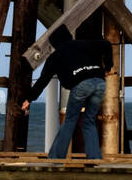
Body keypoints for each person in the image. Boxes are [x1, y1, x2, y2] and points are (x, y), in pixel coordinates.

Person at [21, 25, 113, 159]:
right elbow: (106, 44)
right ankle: (94, 157)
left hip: (81, 85)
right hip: (99, 83)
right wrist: (108, 66)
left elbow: (43, 80)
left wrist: (29, 98)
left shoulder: (55, 56)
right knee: (89, 121)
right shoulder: (84, 44)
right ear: (69, 37)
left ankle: (57, 157)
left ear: (54, 43)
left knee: (70, 120)